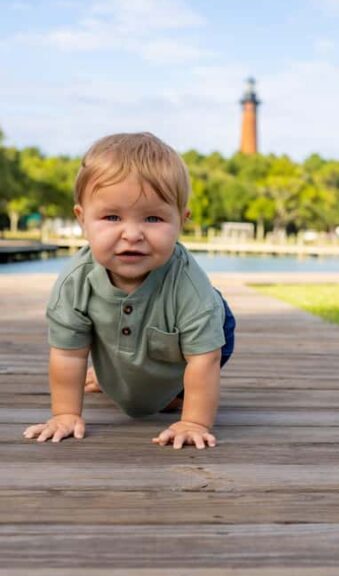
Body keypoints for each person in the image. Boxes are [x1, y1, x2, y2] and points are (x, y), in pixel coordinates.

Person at [23, 132, 235, 450]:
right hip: (123, 325)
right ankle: (114, 376)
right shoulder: (75, 282)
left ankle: (175, 391)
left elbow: (204, 359)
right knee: (113, 348)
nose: (132, 234)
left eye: (153, 218)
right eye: (112, 217)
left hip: (197, 335)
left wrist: (194, 421)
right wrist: (65, 414)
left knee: (202, 348)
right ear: (82, 219)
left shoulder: (190, 287)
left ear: (181, 221)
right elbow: (68, 354)